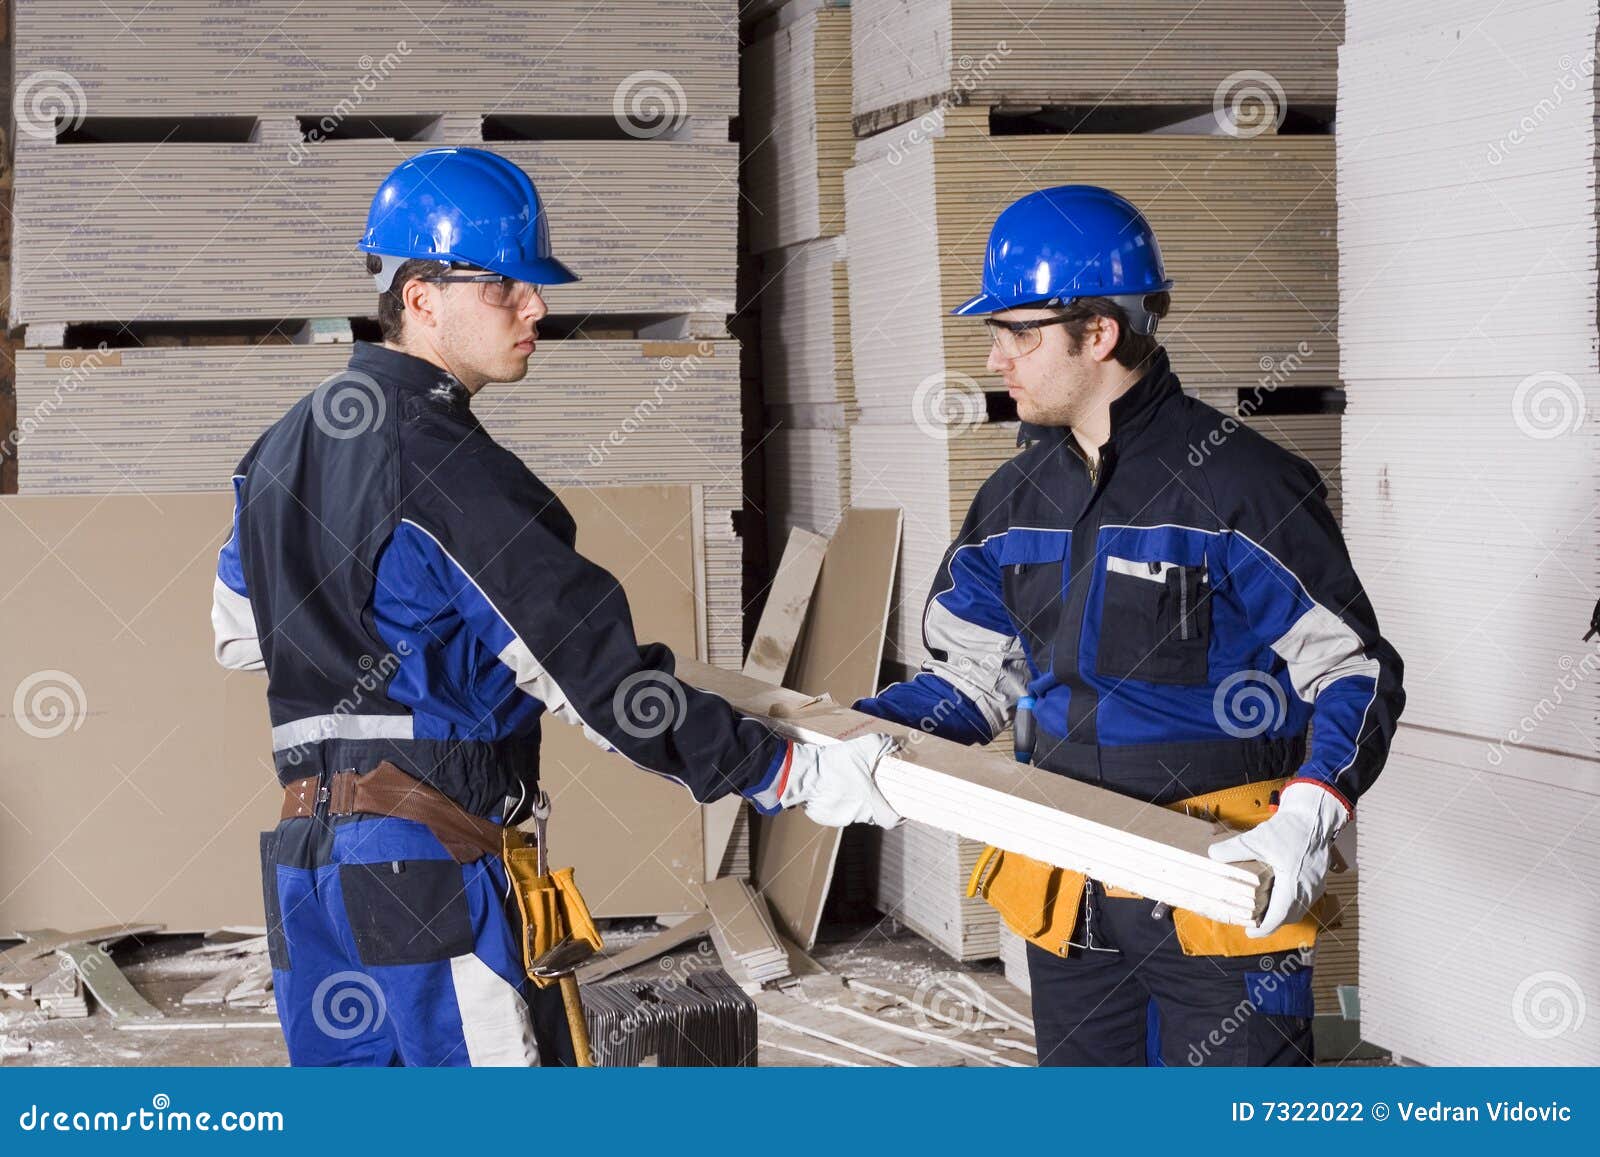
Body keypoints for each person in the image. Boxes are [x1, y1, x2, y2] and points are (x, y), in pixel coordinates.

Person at [211, 146, 898, 1067]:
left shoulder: (275, 453)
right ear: (420, 297)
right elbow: (604, 687)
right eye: (506, 287)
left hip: (307, 875)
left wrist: (400, 658)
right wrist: (789, 773)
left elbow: (239, 638)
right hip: (432, 871)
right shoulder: (457, 470)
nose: (537, 308)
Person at [855, 185, 1405, 1067]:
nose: (996, 356)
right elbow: (972, 680)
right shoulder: (1012, 501)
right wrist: (854, 736)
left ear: (1099, 333)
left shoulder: (1242, 487)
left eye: (1018, 331)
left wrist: (1313, 809)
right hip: (1072, 898)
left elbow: (1352, 670)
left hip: (1216, 888)